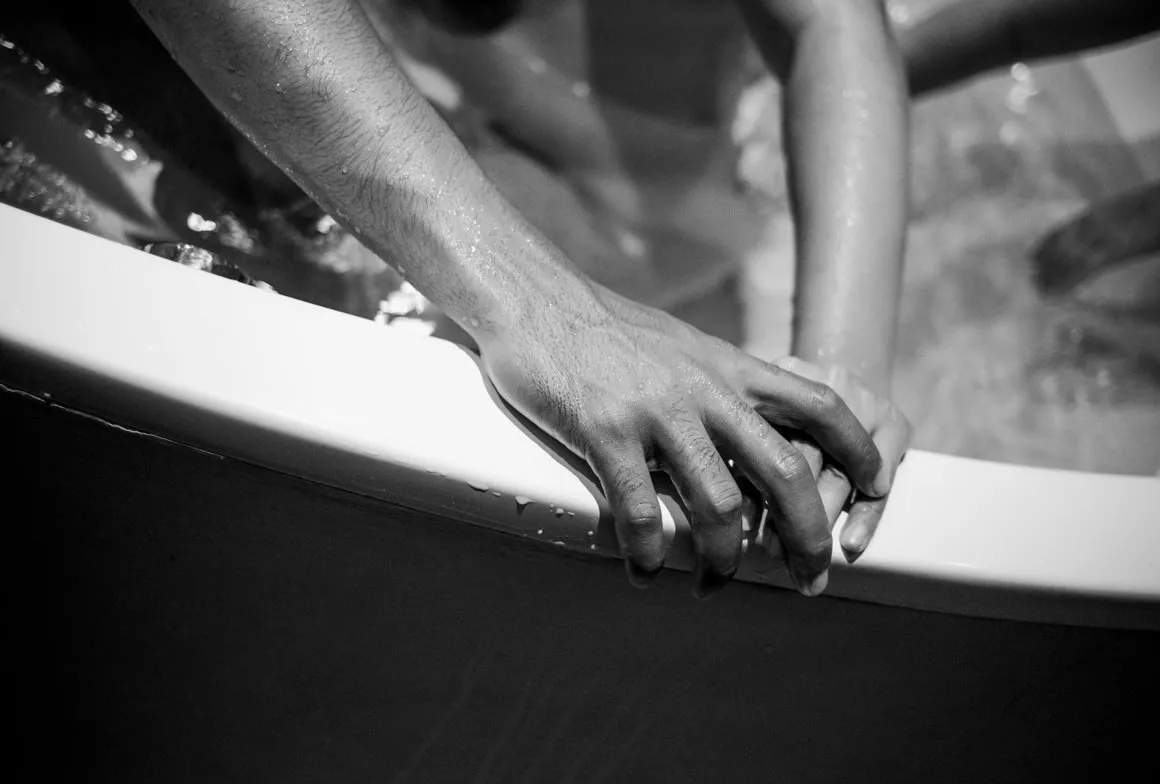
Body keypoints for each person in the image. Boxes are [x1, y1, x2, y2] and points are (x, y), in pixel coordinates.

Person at [124, 0, 914, 600]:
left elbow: (829, 23)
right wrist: (536, 302)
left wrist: (836, 379)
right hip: (326, 94)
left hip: (646, 191)